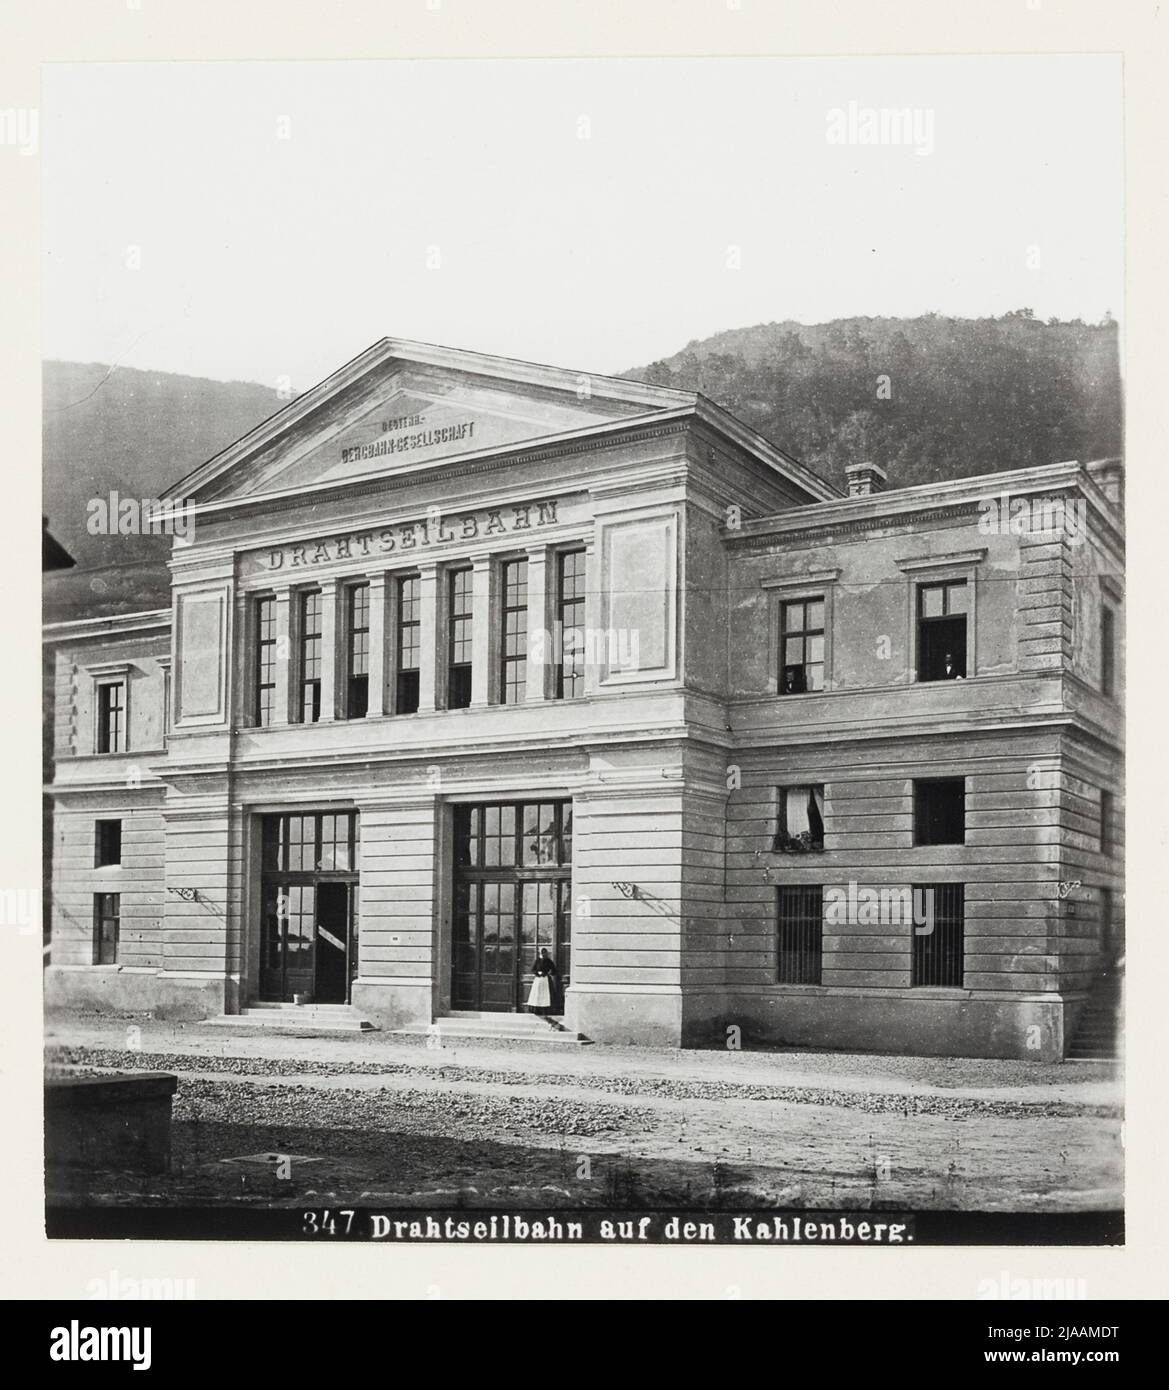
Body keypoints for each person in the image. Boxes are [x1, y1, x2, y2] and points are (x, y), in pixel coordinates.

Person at [527, 948, 559, 1016]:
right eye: (542, 953)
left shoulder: (549, 961)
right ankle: (536, 1010)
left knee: (546, 995)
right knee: (537, 994)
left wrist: (548, 973)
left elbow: (554, 970)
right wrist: (537, 973)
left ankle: (545, 1010)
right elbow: (532, 969)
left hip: (546, 980)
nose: (544, 954)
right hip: (538, 980)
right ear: (540, 953)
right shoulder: (537, 960)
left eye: (545, 953)